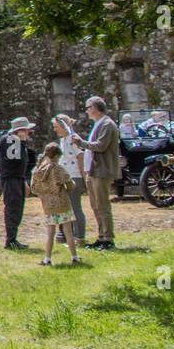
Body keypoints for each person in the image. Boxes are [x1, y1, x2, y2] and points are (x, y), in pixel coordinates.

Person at [72, 96, 120, 250]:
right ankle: (101, 237)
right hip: (93, 171)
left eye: (88, 107)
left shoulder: (107, 124)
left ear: (94, 107)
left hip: (101, 170)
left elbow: (101, 146)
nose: (86, 111)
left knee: (103, 205)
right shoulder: (98, 124)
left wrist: (81, 142)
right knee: (95, 205)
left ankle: (108, 239)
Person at [29, 142, 80, 266]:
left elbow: (33, 188)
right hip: (63, 203)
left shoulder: (38, 170)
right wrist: (67, 189)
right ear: (57, 156)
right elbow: (70, 184)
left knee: (50, 233)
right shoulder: (58, 169)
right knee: (68, 231)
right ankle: (74, 257)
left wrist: (44, 195)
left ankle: (47, 258)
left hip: (48, 205)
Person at [0, 117, 34, 249]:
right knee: (13, 208)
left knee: (17, 209)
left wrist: (23, 179)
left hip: (17, 177)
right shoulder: (11, 140)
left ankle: (13, 239)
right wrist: (22, 143)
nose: (29, 133)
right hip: (11, 178)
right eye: (26, 130)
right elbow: (15, 161)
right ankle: (11, 241)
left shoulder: (14, 141)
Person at [52, 114, 87, 243]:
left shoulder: (73, 138)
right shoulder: (63, 140)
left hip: (74, 176)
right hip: (65, 177)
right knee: (66, 207)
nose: (55, 129)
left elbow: (80, 155)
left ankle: (80, 236)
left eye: (56, 127)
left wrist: (84, 177)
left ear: (62, 126)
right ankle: (66, 234)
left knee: (75, 207)